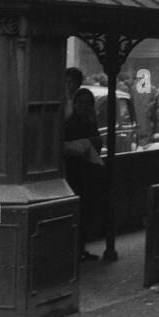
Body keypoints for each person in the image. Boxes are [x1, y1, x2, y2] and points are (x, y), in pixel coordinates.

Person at [62, 68, 103, 262]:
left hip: (85, 172)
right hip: (73, 171)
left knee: (84, 212)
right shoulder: (70, 121)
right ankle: (75, 249)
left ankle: (80, 248)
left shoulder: (88, 121)